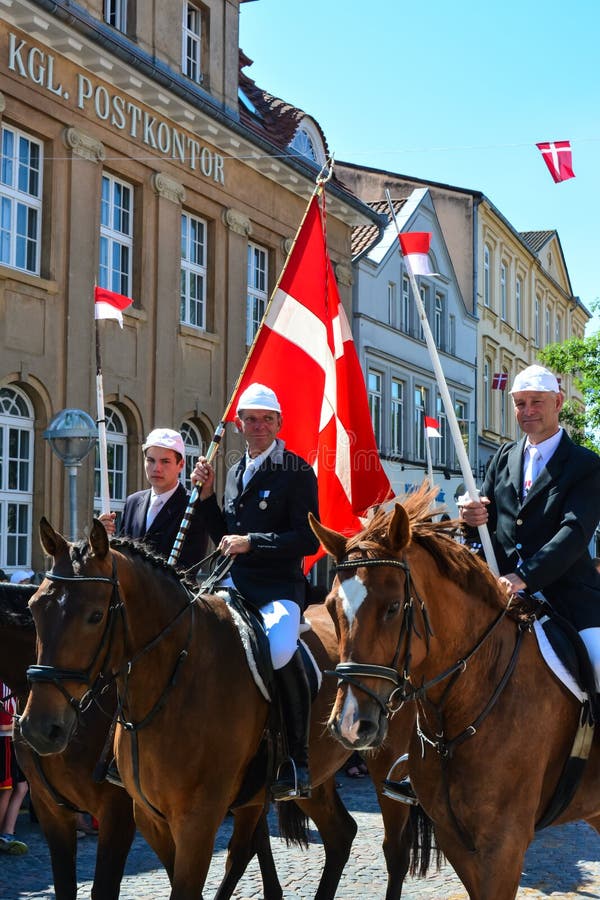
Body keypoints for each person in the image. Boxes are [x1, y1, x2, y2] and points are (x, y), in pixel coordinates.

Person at [384, 364, 600, 804]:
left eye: (537, 402)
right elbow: (485, 521)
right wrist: (469, 518)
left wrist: (526, 577)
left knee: (599, 665)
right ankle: (421, 761)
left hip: (566, 598)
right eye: (520, 404)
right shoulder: (504, 457)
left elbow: (574, 533)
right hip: (499, 593)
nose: (527, 411)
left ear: (558, 403)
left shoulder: (585, 466)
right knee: (434, 657)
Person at [192, 383, 320, 800]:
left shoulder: (297, 471)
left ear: (280, 424)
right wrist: (207, 498)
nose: (258, 426)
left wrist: (254, 541)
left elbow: (307, 539)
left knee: (281, 649)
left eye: (267, 419)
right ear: (239, 424)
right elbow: (223, 535)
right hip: (233, 583)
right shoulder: (233, 471)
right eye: (250, 419)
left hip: (277, 587)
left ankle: (297, 758)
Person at [99, 427, 208, 571]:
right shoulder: (133, 502)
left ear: (181, 465)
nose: (156, 468)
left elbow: (189, 566)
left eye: (165, 461)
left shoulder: (193, 506)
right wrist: (102, 536)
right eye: (150, 460)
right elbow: (121, 558)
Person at [0, 682, 28, 855]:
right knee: (6, 789)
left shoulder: (14, 679)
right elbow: (3, 726)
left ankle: (7, 832)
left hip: (13, 739)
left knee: (21, 787)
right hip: (4, 738)